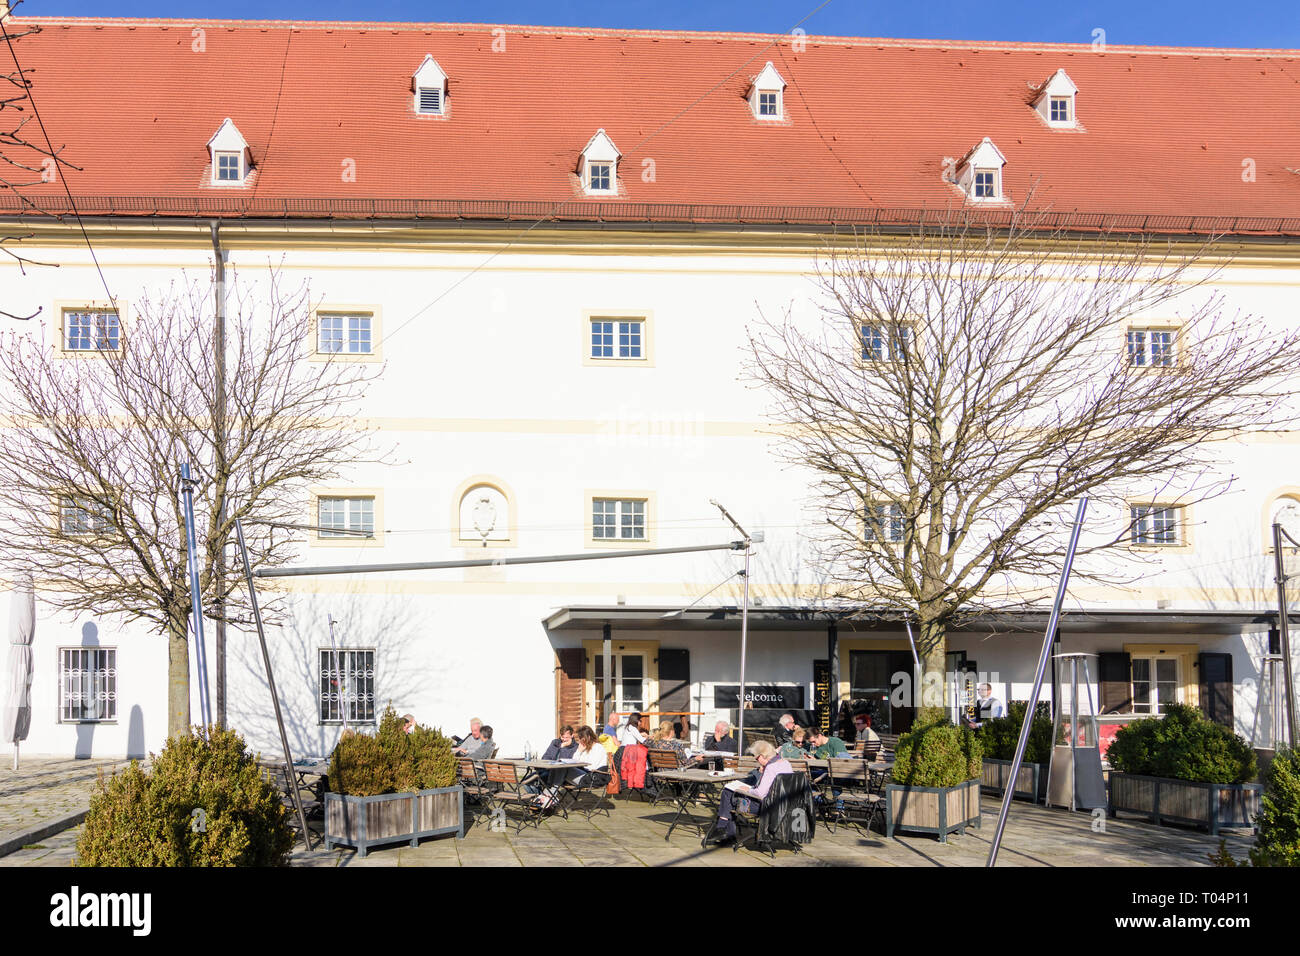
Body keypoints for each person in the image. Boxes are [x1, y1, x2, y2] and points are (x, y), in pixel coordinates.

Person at [706, 740, 792, 845]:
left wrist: (748, 790)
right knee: (729, 795)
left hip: (764, 807)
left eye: (756, 758)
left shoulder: (771, 767)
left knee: (728, 792)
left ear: (761, 756)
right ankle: (726, 832)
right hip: (782, 805)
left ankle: (723, 829)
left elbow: (760, 793)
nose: (756, 761)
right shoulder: (785, 763)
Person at [537, 725, 607, 809]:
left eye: (582, 738)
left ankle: (549, 795)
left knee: (563, 768)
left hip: (593, 778)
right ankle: (549, 794)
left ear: (588, 737)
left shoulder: (598, 748)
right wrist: (579, 751)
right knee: (559, 766)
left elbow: (592, 766)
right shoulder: (584, 747)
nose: (581, 741)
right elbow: (574, 760)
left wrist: (580, 761)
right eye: (580, 738)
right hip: (584, 775)